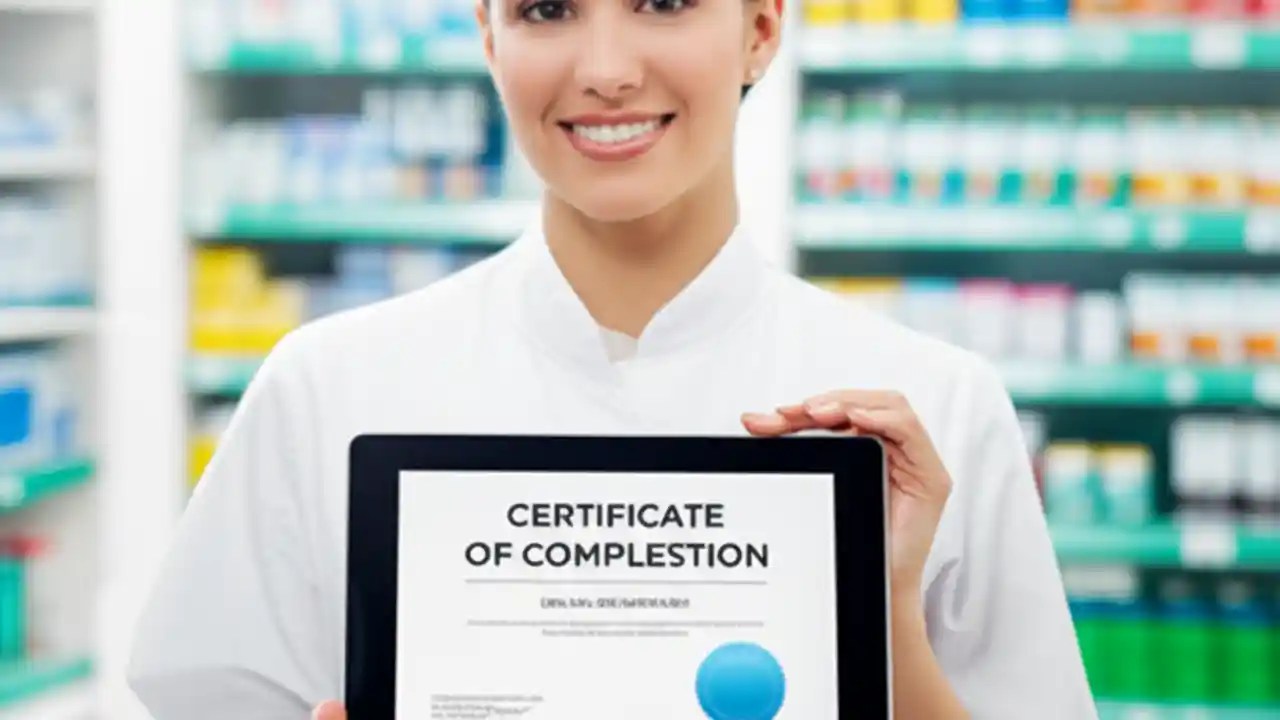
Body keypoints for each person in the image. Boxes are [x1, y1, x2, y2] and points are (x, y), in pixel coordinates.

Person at [127, 0, 1097, 717]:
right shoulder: (327, 389)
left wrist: (879, 613)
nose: (605, 70)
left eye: (663, 4)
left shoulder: (934, 409)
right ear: (488, 38)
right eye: (545, 10)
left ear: (761, 26)